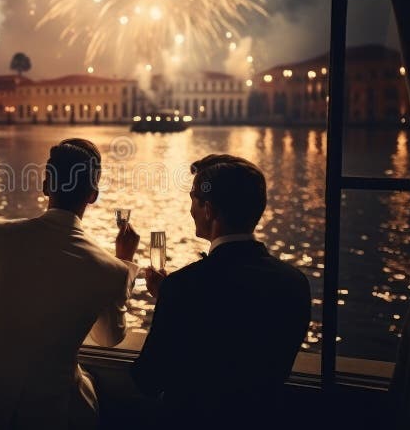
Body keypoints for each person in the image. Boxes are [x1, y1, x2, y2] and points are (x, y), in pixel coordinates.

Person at [0, 138, 140, 429]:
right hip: (56, 409)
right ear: (93, 195)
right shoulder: (110, 269)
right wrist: (124, 263)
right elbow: (109, 338)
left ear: (46, 185)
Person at [131, 154, 311, 428]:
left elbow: (148, 380)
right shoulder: (294, 282)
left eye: (193, 198)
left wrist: (168, 300)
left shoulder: (184, 286)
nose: (190, 208)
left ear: (209, 209)